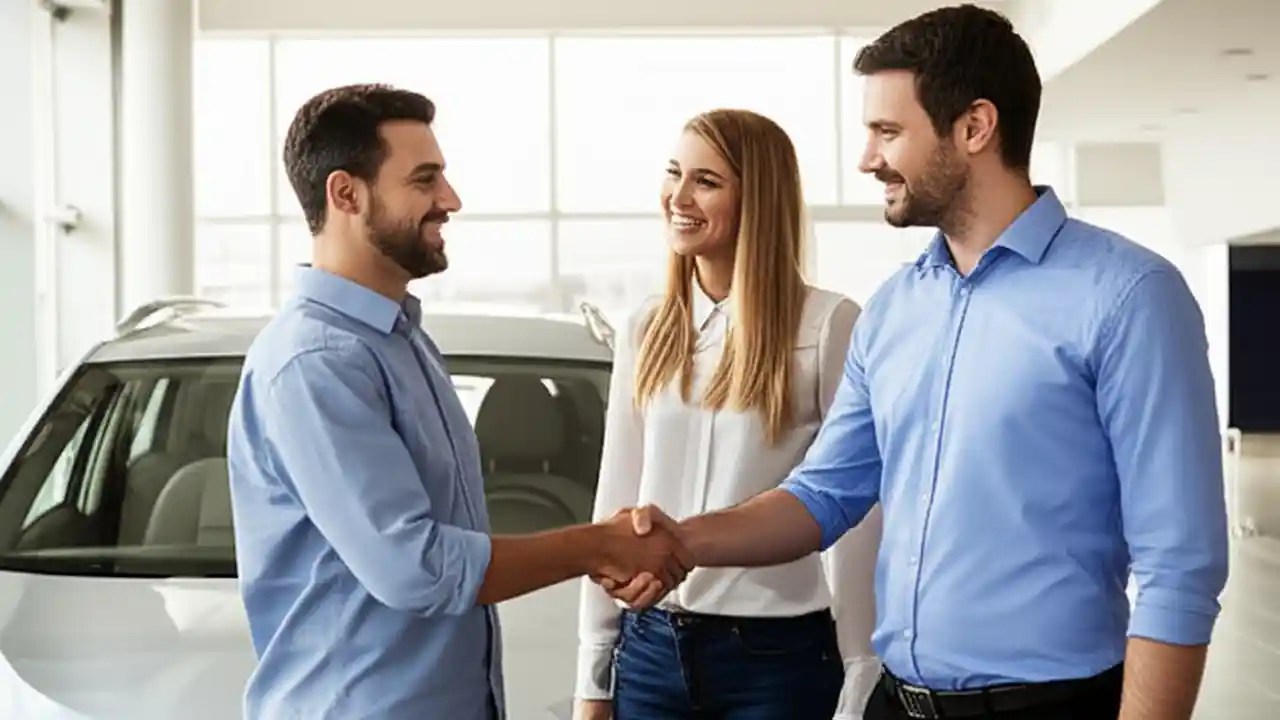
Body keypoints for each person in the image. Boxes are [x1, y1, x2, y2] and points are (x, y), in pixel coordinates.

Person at [598, 6, 1229, 720]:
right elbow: (822, 498)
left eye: (887, 132)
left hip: (1051, 705)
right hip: (899, 703)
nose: (869, 159)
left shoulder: (1128, 295)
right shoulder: (897, 308)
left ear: (974, 127)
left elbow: (1180, 566)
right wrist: (683, 540)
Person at [224, 83, 692, 720]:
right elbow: (416, 568)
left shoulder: (400, 341)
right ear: (346, 193)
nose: (451, 200)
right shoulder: (318, 362)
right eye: (425, 180)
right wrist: (597, 546)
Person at [574, 109, 883, 720]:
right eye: (673, 173)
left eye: (706, 181)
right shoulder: (648, 325)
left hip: (777, 659)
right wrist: (594, 675)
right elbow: (616, 497)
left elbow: (855, 514)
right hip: (651, 650)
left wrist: (859, 674)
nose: (678, 197)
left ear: (758, 198)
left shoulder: (828, 325)